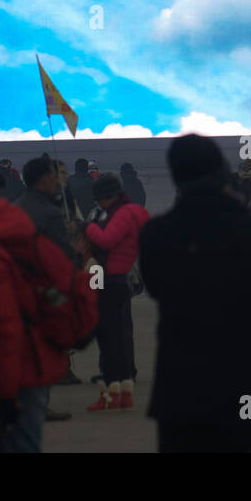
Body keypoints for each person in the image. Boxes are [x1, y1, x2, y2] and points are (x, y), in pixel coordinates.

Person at [135, 135, 251, 452]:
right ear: (222, 170)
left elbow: (156, 290)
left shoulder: (156, 234)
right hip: (241, 385)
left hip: (179, 390)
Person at [0, 185, 94, 451]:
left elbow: (4, 326)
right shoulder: (26, 235)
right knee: (22, 439)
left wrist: (6, 393)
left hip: (17, 360)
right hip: (39, 354)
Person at [83, 173, 150, 411]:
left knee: (108, 340)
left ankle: (110, 393)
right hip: (122, 281)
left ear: (106, 196)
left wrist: (88, 227)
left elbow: (106, 240)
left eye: (99, 199)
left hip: (109, 281)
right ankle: (126, 391)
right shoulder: (136, 212)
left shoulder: (122, 214)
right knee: (120, 337)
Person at [17, 156, 79, 264]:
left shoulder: (16, 206)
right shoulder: (51, 213)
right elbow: (63, 256)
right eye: (55, 175)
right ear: (45, 178)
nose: (56, 180)